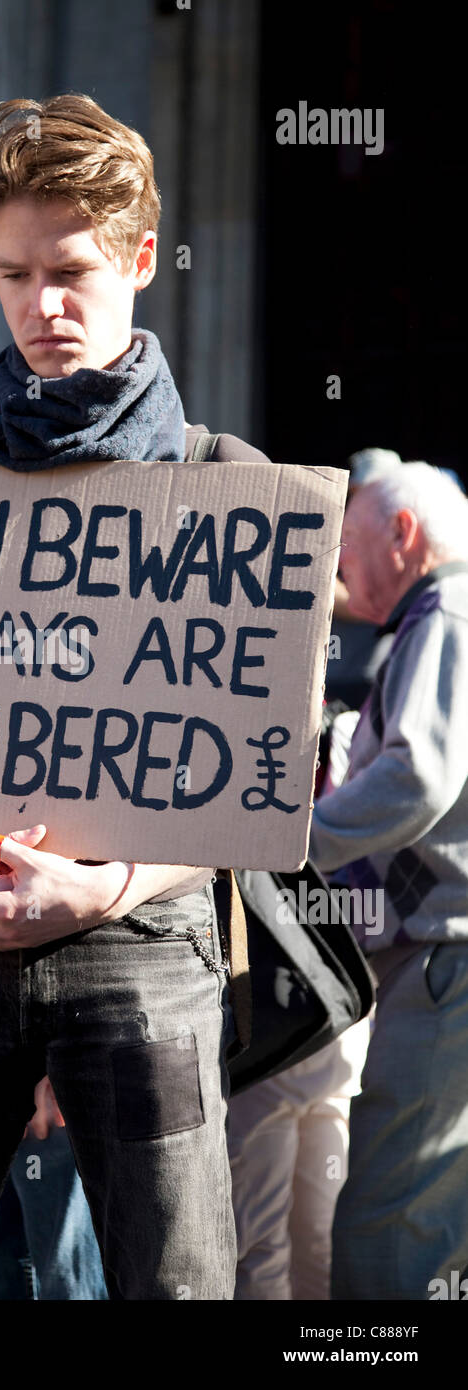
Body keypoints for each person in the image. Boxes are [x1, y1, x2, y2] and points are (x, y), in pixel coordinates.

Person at [0, 93, 268, 1302]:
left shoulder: (227, 489)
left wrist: (107, 887)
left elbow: (257, 774)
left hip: (142, 952)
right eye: (12, 276)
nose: (41, 307)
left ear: (140, 258)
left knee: (175, 1287)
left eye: (69, 272)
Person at [308, 463, 468, 1300]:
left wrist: (296, 840)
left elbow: (417, 777)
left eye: (347, 545)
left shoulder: (445, 614)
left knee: (386, 1223)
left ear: (403, 534)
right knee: (427, 1221)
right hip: (443, 962)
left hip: (445, 964)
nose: (339, 568)